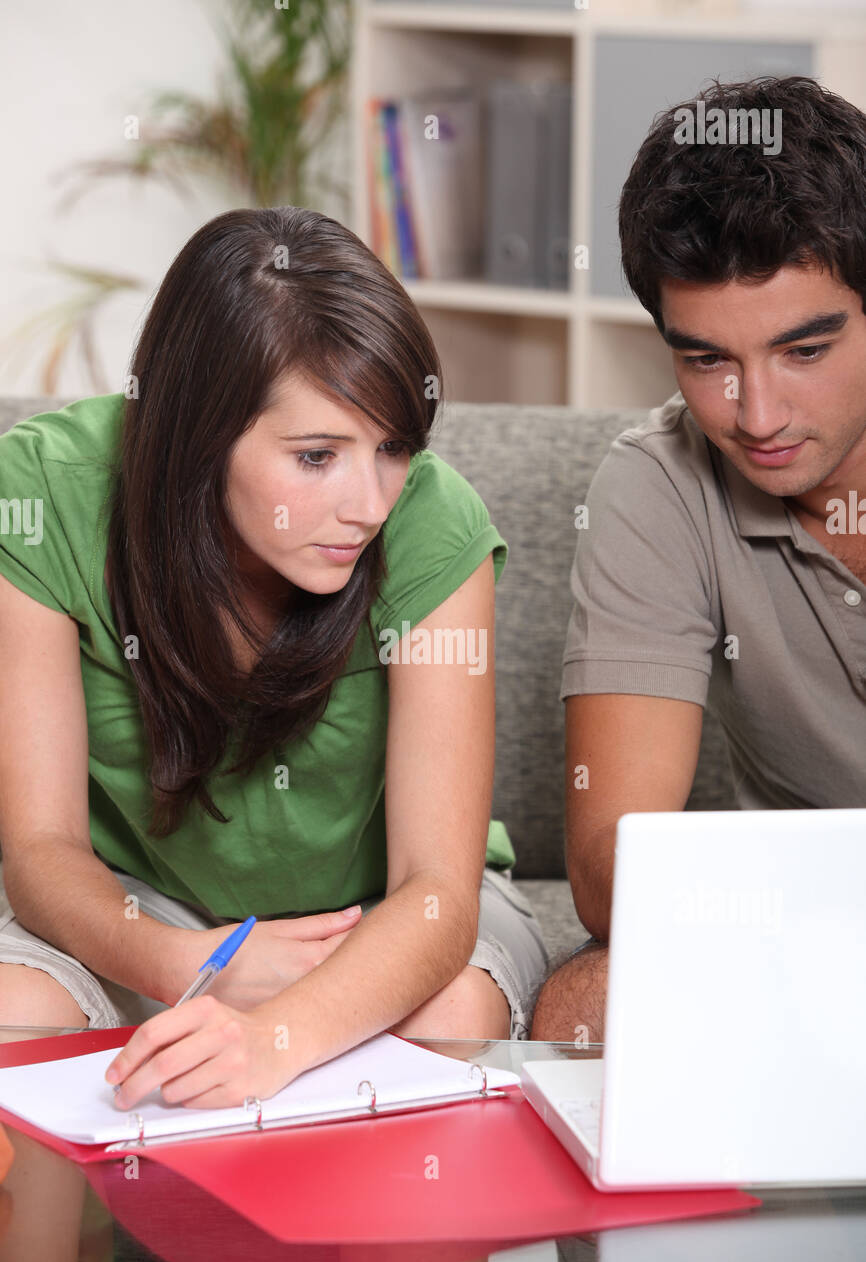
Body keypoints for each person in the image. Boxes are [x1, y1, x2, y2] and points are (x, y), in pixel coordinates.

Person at [0, 205, 549, 1118]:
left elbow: (437, 893)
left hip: (381, 921)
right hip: (146, 913)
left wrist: (278, 1034)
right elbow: (39, 850)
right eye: (316, 456)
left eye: (393, 449)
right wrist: (195, 970)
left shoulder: (431, 521)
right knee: (14, 1014)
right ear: (197, 431)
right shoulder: (45, 493)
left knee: (445, 1025)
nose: (368, 504)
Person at [530, 74, 866, 1044]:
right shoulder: (655, 486)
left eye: (802, 351)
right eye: (706, 360)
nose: (753, 417)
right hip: (802, 943)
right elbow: (604, 871)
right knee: (580, 1006)